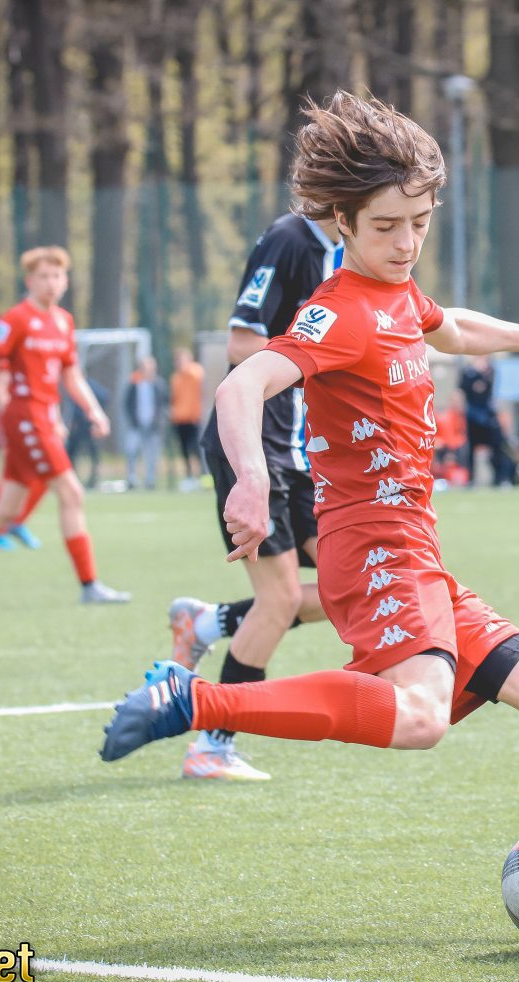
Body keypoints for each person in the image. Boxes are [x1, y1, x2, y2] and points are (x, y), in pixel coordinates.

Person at [99, 91, 519, 939]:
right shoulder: (340, 307)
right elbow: (242, 381)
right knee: (422, 719)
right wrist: (249, 479)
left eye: (419, 223)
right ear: (342, 221)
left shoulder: (398, 292)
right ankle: (195, 703)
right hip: (373, 551)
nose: (406, 243)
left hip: (415, 549)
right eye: (388, 226)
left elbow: (450, 325)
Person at [168, 208, 343, 782]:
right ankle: (212, 745)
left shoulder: (353, 249)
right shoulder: (292, 240)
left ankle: (210, 624)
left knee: (360, 587)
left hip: (299, 451)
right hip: (253, 447)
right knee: (279, 600)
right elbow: (244, 342)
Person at [0, 246, 130, 607]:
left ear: (65, 281)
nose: (51, 283)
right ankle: (89, 585)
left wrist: (93, 410)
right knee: (71, 493)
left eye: (57, 276)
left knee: (6, 508)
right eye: (43, 276)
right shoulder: (15, 319)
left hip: (44, 417)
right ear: (29, 281)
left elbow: (71, 375)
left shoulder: (63, 321)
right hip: (24, 417)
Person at [0, 357, 47, 551]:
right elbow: (0, 388)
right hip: (17, 421)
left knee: (43, 476)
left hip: (36, 419)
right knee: (9, 476)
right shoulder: (12, 348)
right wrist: (12, 423)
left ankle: (17, 523)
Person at [460, 356, 514, 486]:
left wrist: (481, 376)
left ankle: (500, 478)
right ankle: (471, 479)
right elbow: (465, 387)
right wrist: (476, 374)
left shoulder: (490, 371)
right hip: (473, 416)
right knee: (471, 448)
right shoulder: (468, 372)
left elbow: (487, 387)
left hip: (488, 416)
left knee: (497, 447)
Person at [122, 355, 167, 490]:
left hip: (153, 426)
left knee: (152, 455)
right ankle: (131, 478)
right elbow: (126, 403)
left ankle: (150, 480)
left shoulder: (159, 384)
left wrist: (158, 420)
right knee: (131, 450)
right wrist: (133, 419)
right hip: (136, 425)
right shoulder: (134, 383)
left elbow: (163, 404)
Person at [65, 374, 108, 489]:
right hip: (78, 425)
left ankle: (93, 479)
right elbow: (72, 408)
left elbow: (104, 396)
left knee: (93, 454)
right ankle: (73, 478)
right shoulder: (71, 385)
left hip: (89, 425)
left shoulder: (89, 385)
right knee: (71, 453)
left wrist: (96, 413)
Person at [170, 346, 205, 484]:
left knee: (197, 449)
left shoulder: (196, 373)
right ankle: (190, 476)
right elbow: (175, 398)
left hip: (194, 418)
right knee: (184, 450)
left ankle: (204, 476)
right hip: (180, 419)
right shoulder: (176, 378)